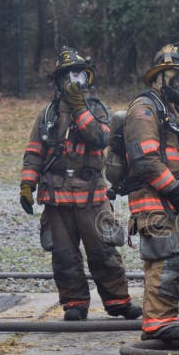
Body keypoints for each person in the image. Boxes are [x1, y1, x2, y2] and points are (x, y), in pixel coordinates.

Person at [19, 47, 141, 321]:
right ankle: (75, 304)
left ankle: (118, 301)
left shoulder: (96, 109)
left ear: (88, 79)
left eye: (80, 75)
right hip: (57, 197)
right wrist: (27, 185)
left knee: (103, 250)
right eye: (68, 76)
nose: (74, 81)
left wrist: (78, 108)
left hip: (91, 196)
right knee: (63, 256)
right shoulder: (48, 115)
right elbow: (34, 152)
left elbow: (99, 138)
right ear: (59, 81)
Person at [123, 40, 179, 344]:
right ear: (160, 78)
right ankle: (157, 324)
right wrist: (175, 191)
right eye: (178, 78)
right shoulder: (144, 110)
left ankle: (165, 320)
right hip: (155, 201)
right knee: (165, 259)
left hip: (176, 201)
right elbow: (146, 160)